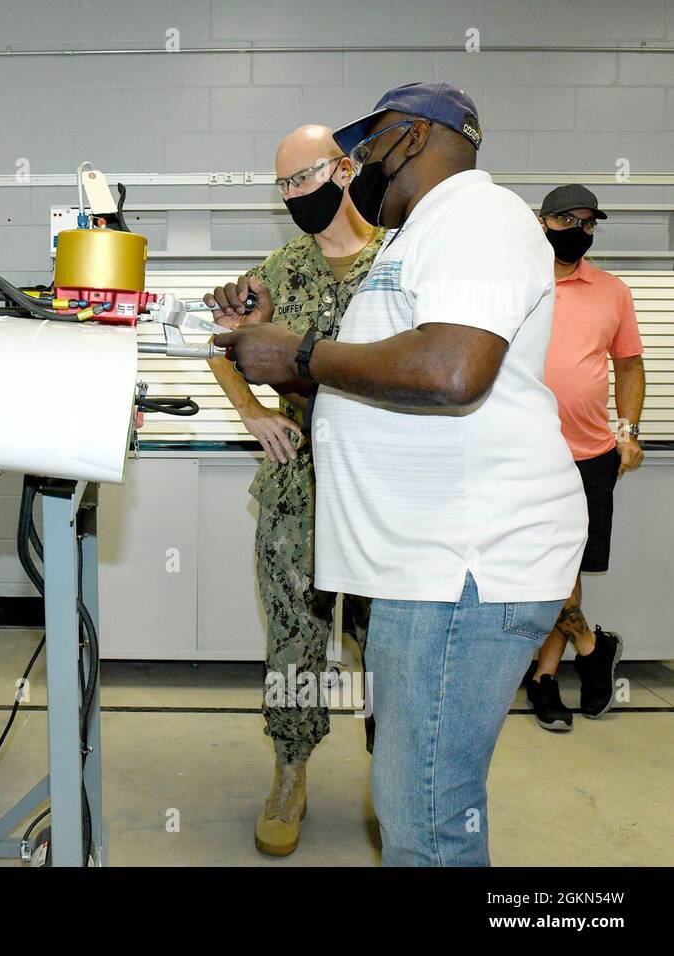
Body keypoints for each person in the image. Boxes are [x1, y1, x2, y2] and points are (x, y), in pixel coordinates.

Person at [216, 82, 587, 866]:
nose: (356, 165)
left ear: (413, 137)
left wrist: (300, 354)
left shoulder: (474, 217)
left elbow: (454, 371)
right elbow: (366, 381)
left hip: (462, 566)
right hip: (421, 565)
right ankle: (295, 766)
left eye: (367, 144)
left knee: (425, 819)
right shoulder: (421, 238)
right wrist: (278, 356)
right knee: (420, 802)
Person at [203, 125, 381, 858]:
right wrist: (252, 411)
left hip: (382, 480)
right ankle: (291, 768)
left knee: (387, 640)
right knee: (294, 641)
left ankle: (394, 774)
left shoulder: (401, 261)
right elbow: (222, 344)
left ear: (344, 169)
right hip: (297, 484)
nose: (293, 196)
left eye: (302, 179)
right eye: (281, 186)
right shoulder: (278, 270)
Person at [525, 184, 645, 731]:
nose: (580, 230)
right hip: (524, 455)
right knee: (541, 572)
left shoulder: (612, 292)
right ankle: (592, 647)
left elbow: (629, 367)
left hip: (592, 455)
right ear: (543, 221)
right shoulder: (517, 282)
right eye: (568, 219)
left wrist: (628, 432)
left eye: (589, 222)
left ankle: (545, 677)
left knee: (569, 570)